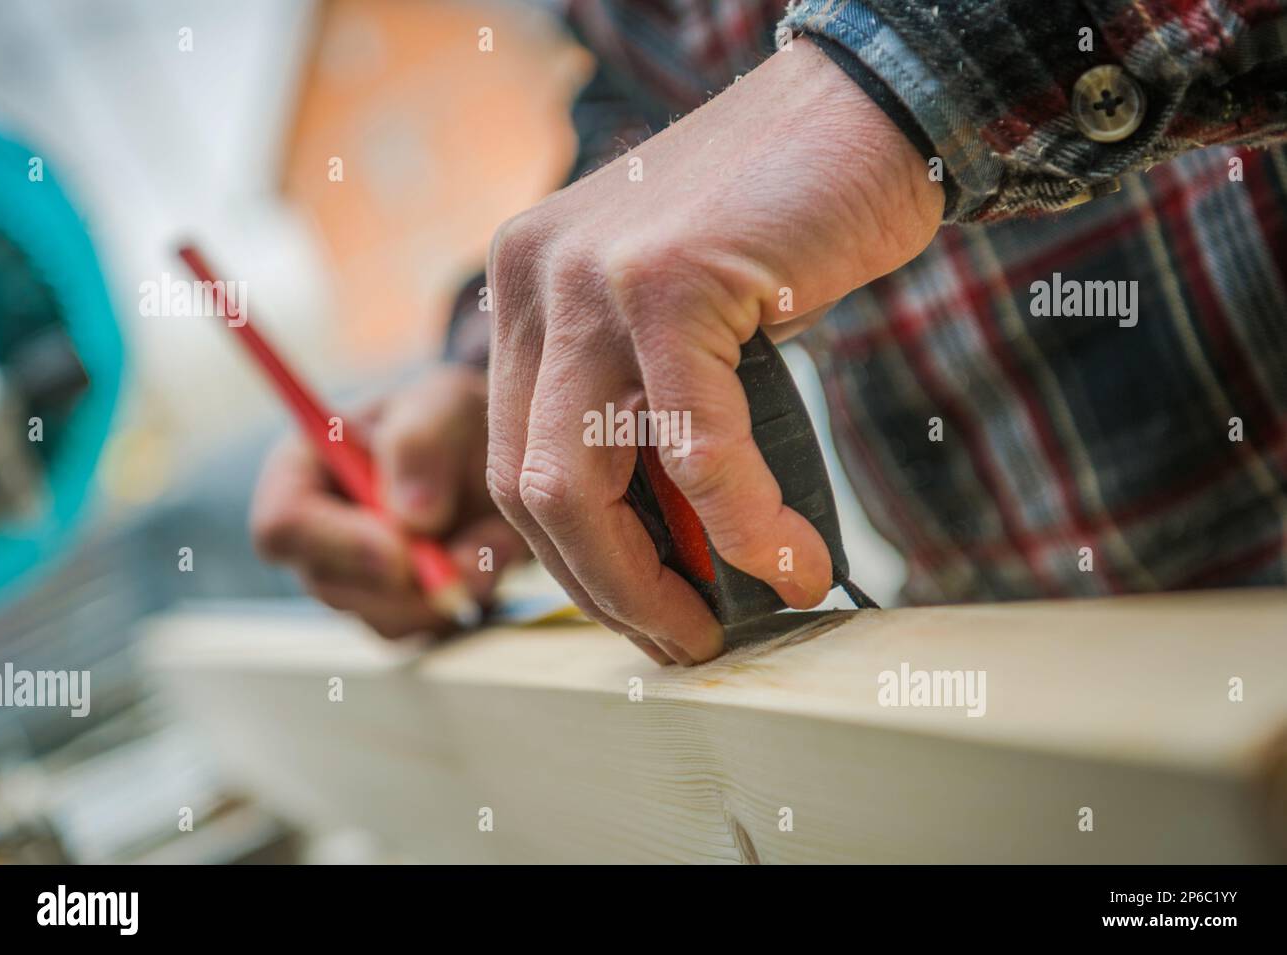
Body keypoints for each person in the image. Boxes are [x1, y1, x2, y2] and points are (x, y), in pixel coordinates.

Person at [252, 0, 1287, 665]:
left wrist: (903, 86)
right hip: (1007, 706)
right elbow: (657, 86)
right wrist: (516, 386)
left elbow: (804, 115)